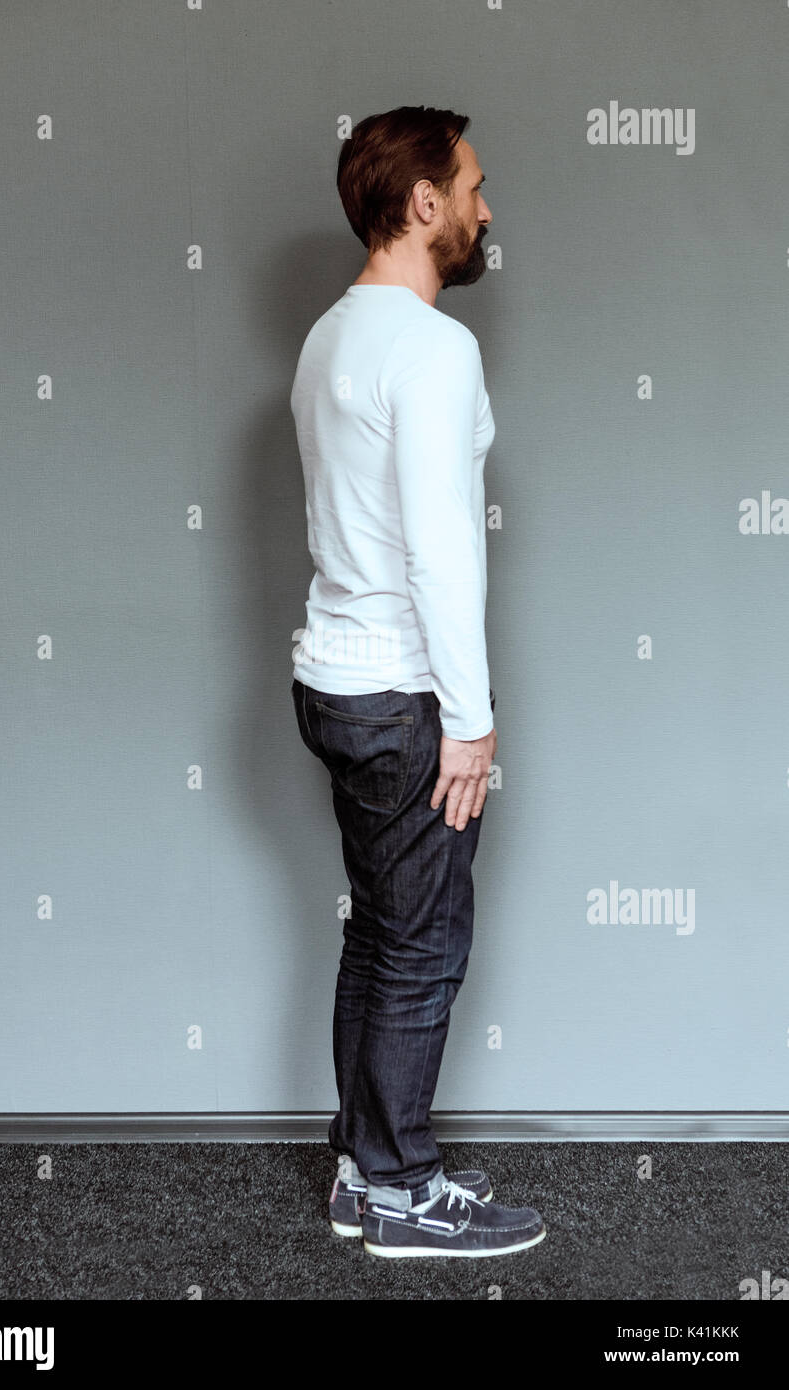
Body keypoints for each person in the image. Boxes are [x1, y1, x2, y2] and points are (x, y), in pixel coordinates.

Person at [289, 105, 546, 1259]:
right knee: (423, 943)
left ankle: (360, 1166)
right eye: (477, 188)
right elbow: (443, 546)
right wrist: (473, 725)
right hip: (403, 697)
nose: (489, 211)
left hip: (333, 684)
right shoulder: (434, 349)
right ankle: (398, 1187)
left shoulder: (328, 337)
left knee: (378, 935)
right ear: (425, 202)